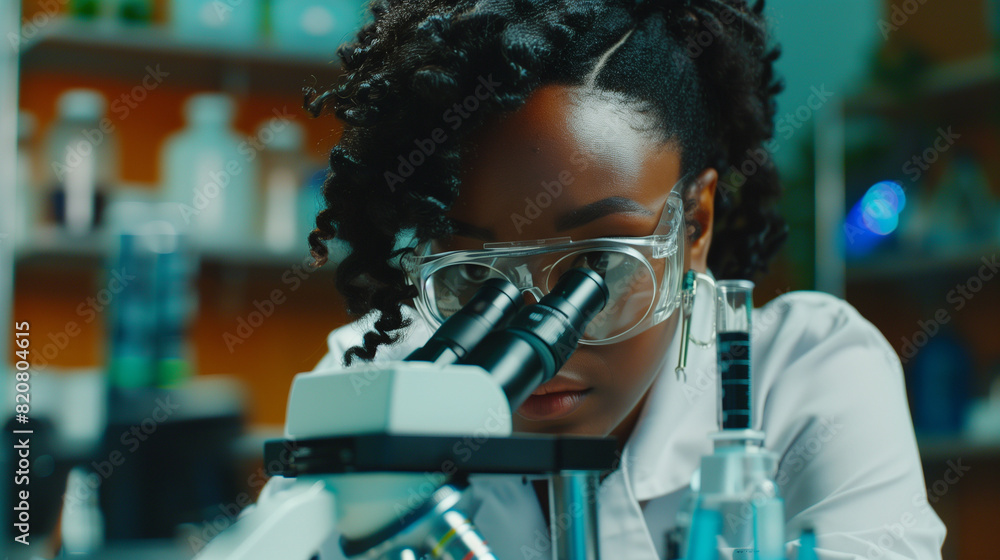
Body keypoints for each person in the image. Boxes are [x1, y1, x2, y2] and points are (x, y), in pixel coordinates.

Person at [255, 1, 946, 558]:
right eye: (475, 277)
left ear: (695, 224)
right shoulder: (374, 386)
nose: (538, 338)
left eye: (599, 267)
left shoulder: (807, 374)